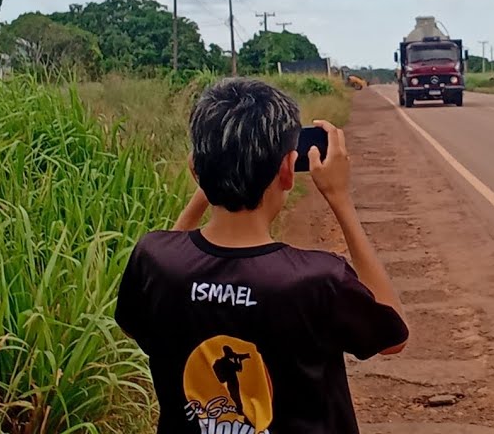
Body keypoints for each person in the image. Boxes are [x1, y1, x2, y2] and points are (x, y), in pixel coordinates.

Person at [115, 78, 408, 434]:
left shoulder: (153, 258)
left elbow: (150, 295)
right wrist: (341, 200)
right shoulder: (318, 279)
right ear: (287, 171)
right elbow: (394, 339)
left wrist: (212, 183)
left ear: (195, 169)